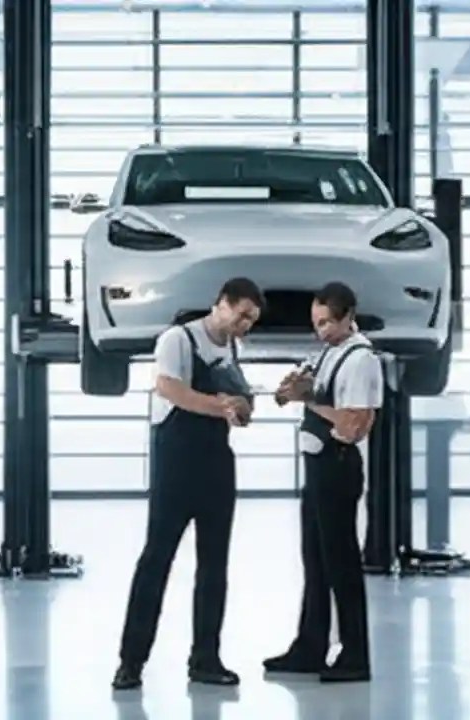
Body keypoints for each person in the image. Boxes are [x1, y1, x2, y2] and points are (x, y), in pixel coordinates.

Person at [112, 277, 263, 691]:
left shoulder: (235, 348)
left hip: (217, 461)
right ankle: (131, 661)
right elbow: (170, 388)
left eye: (252, 319)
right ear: (221, 303)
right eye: (242, 314)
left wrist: (244, 408)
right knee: (156, 559)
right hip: (176, 461)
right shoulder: (177, 340)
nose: (246, 324)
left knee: (214, 564)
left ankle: (206, 659)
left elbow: (240, 400)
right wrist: (222, 406)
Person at [263, 281, 382, 684]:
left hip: (338, 465)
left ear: (349, 316)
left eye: (329, 322)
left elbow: (353, 423)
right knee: (314, 560)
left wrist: (308, 400)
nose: (322, 330)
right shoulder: (331, 352)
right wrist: (296, 390)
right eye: (317, 323)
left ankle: (356, 654)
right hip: (317, 468)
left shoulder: (361, 359)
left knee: (342, 564)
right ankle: (310, 646)